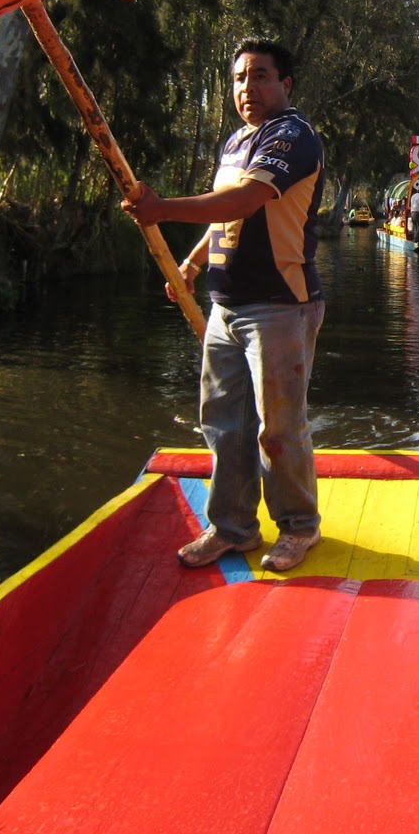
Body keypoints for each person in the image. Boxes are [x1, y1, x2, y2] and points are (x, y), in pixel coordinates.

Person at [121, 39, 325, 575]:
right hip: (226, 304)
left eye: (260, 76)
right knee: (224, 422)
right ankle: (233, 528)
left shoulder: (292, 135)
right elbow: (224, 217)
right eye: (238, 78)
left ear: (285, 84)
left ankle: (299, 526)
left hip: (279, 305)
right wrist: (191, 264)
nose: (247, 88)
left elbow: (245, 201)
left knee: (278, 429)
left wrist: (162, 209)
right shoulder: (236, 142)